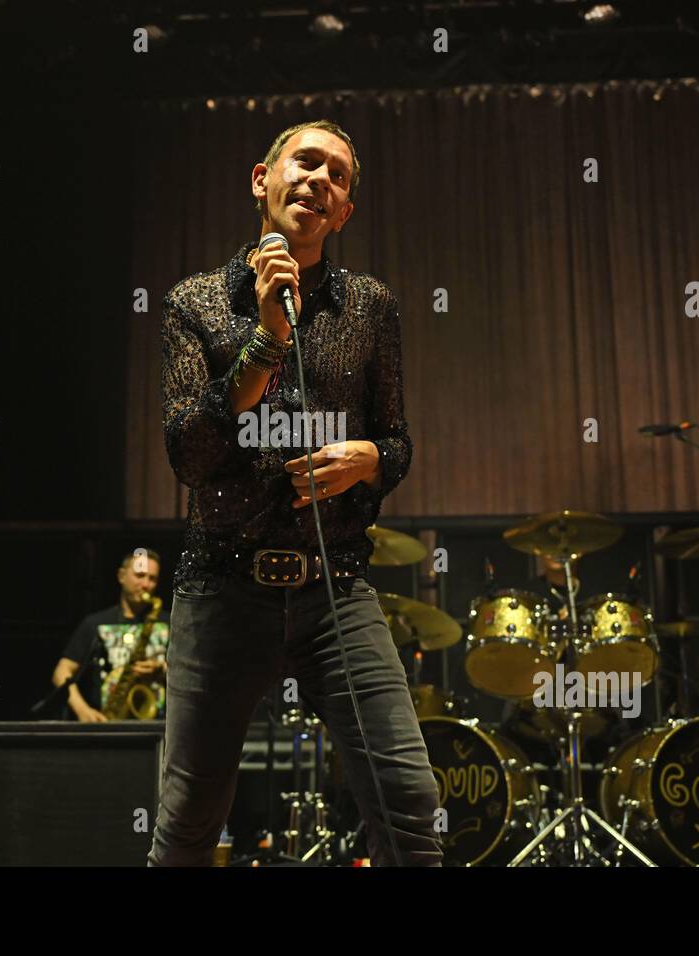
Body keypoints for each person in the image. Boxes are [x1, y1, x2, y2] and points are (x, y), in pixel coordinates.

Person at [152, 120, 441, 866]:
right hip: (220, 585)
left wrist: (371, 458)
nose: (319, 180)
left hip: (334, 587)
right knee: (188, 818)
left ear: (344, 213)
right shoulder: (196, 303)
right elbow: (189, 452)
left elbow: (400, 443)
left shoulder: (370, 307)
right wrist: (268, 341)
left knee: (410, 802)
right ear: (262, 178)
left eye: (338, 176)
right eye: (305, 163)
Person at [51, 549, 169, 722]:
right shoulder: (94, 623)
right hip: (108, 722)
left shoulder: (170, 622)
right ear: (121, 576)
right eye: (140, 575)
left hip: (159, 728)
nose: (146, 584)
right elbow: (61, 672)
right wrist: (82, 710)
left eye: (153, 579)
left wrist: (163, 669)